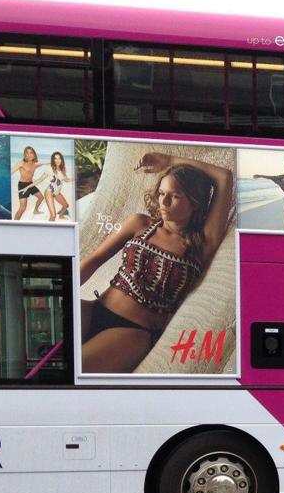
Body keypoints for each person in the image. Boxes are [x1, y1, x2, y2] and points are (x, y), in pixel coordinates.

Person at [78, 152, 234, 373]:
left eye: (175, 196)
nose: (164, 202)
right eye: (161, 193)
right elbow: (94, 260)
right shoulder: (140, 223)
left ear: (195, 203)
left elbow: (224, 177)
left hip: (131, 333)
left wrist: (169, 162)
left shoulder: (201, 244)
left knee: (71, 374)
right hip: (96, 308)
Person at [11, 146, 48, 220]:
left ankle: (35, 210)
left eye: (31, 153)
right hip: (22, 185)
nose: (29, 155)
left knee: (41, 197)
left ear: (34, 154)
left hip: (30, 184)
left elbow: (47, 162)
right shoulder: (21, 163)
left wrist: (56, 162)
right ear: (25, 154)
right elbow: (11, 172)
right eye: (27, 153)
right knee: (22, 208)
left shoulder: (35, 164)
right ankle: (15, 223)